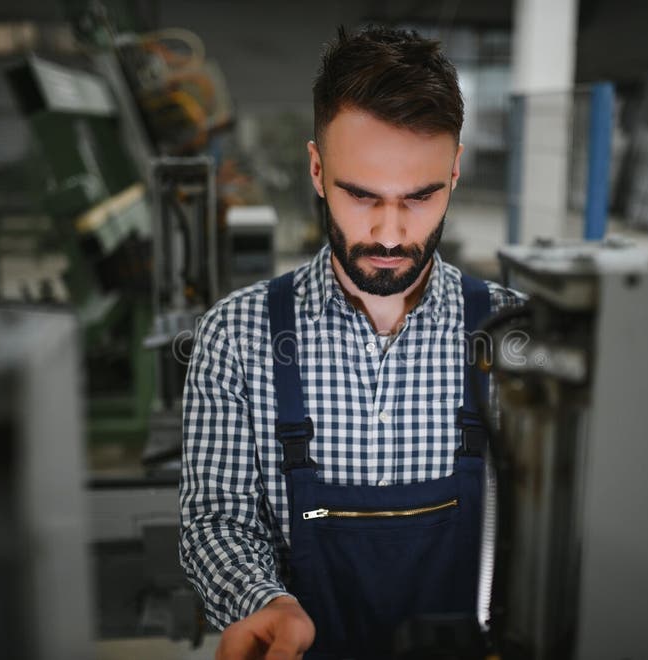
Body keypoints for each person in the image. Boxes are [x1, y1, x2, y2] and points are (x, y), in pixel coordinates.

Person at [180, 25, 525, 659]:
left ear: (454, 171)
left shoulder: (513, 337)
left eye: (420, 197)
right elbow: (218, 520)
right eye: (361, 195)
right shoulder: (234, 337)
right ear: (317, 169)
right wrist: (267, 604)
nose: (390, 233)